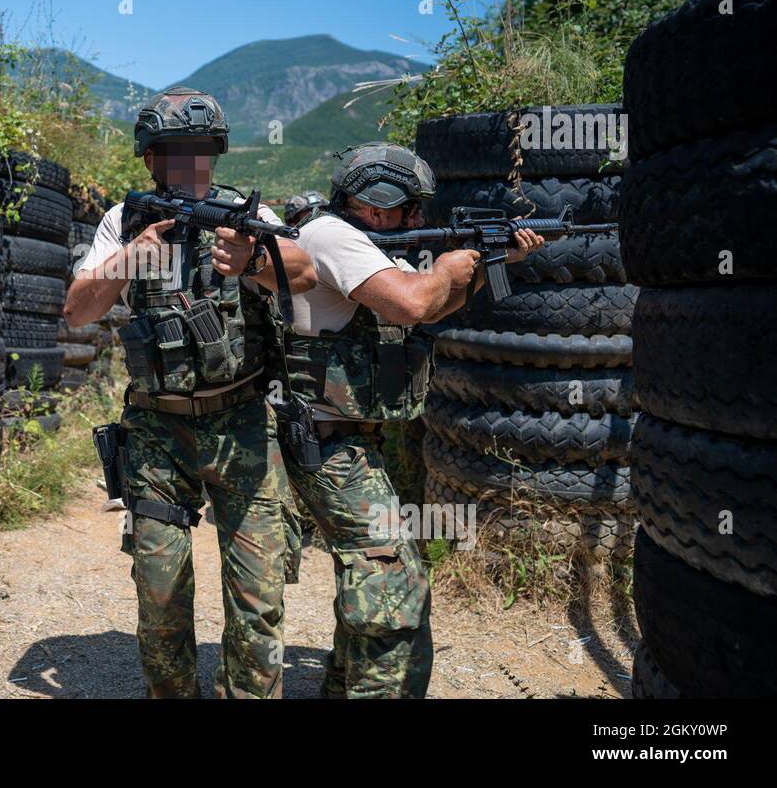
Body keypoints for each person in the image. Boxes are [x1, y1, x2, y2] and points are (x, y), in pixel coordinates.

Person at [64, 86, 315, 698]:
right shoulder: (124, 223)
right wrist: (130, 258)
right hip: (158, 430)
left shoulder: (245, 218)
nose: (188, 166)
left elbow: (305, 275)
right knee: (161, 593)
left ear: (215, 155)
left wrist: (252, 261)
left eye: (199, 153)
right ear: (150, 158)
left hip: (244, 425)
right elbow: (76, 312)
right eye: (174, 153)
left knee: (258, 602)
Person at [275, 142, 544, 698]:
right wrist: (448, 265)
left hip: (348, 439)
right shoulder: (333, 237)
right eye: (410, 208)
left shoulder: (361, 242)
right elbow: (412, 304)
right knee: (393, 577)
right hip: (324, 442)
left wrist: (494, 262)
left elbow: (434, 303)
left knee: (373, 569)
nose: (419, 219)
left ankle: (341, 686)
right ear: (374, 203)